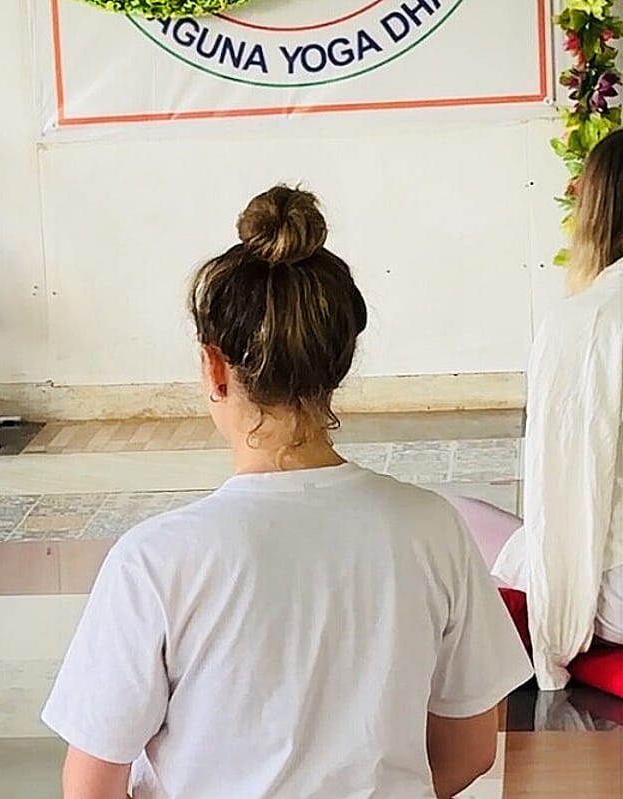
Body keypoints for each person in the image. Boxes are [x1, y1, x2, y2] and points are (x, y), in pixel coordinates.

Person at [41, 186, 533, 799]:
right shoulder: (430, 528)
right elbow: (470, 749)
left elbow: (91, 786)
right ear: (340, 362)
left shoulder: (157, 559)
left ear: (214, 368)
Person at [489, 129, 623, 690]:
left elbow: (566, 498)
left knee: (459, 522)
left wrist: (553, 648)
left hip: (615, 599)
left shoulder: (586, 322)